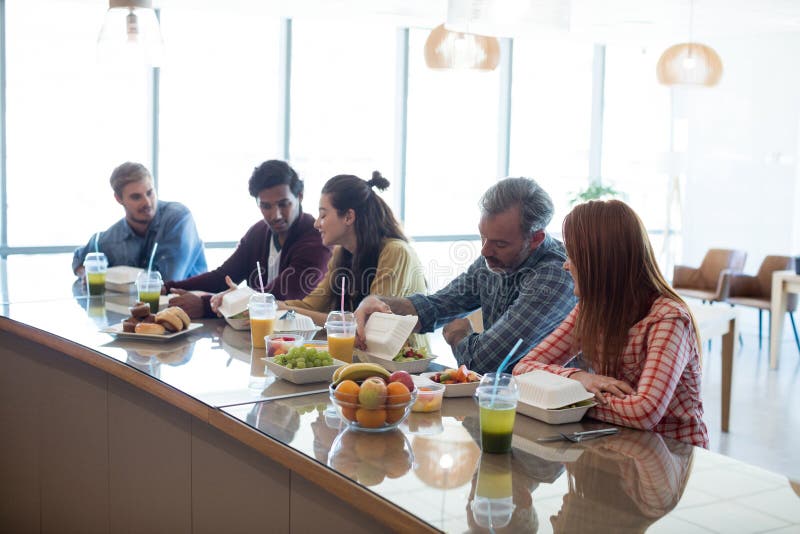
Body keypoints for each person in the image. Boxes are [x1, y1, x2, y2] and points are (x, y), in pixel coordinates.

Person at [513, 200, 708, 448]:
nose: (566, 264)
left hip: (674, 456)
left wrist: (567, 401)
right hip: (620, 445)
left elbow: (644, 412)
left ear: (601, 262)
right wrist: (578, 377)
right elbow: (524, 368)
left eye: (573, 256)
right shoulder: (592, 307)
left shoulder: (668, 318)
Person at [355, 177, 576, 374]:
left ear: (536, 238)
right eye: (483, 237)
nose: (485, 251)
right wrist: (377, 303)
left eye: (500, 243)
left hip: (552, 410)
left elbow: (484, 364)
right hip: (502, 400)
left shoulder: (555, 275)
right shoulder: (493, 259)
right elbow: (435, 306)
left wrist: (458, 336)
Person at [164, 160, 331, 318]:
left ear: (300, 196)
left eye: (284, 204)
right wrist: (169, 288)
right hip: (262, 332)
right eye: (266, 206)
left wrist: (206, 305)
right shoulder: (259, 232)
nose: (276, 215)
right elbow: (223, 276)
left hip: (303, 338)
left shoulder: (316, 239)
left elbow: (279, 295)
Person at [281, 171, 428, 349]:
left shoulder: (395, 252)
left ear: (349, 217)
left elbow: (370, 325)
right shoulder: (341, 253)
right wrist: (272, 306)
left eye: (323, 215)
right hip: (363, 357)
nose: (317, 224)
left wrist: (286, 310)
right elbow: (312, 306)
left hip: (403, 364)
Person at [72, 162, 207, 281]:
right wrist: (86, 274)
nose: (147, 203)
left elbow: (167, 281)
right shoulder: (110, 238)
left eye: (149, 193)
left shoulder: (178, 218)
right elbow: (79, 257)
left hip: (186, 307)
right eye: (136, 197)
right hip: (133, 308)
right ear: (119, 199)